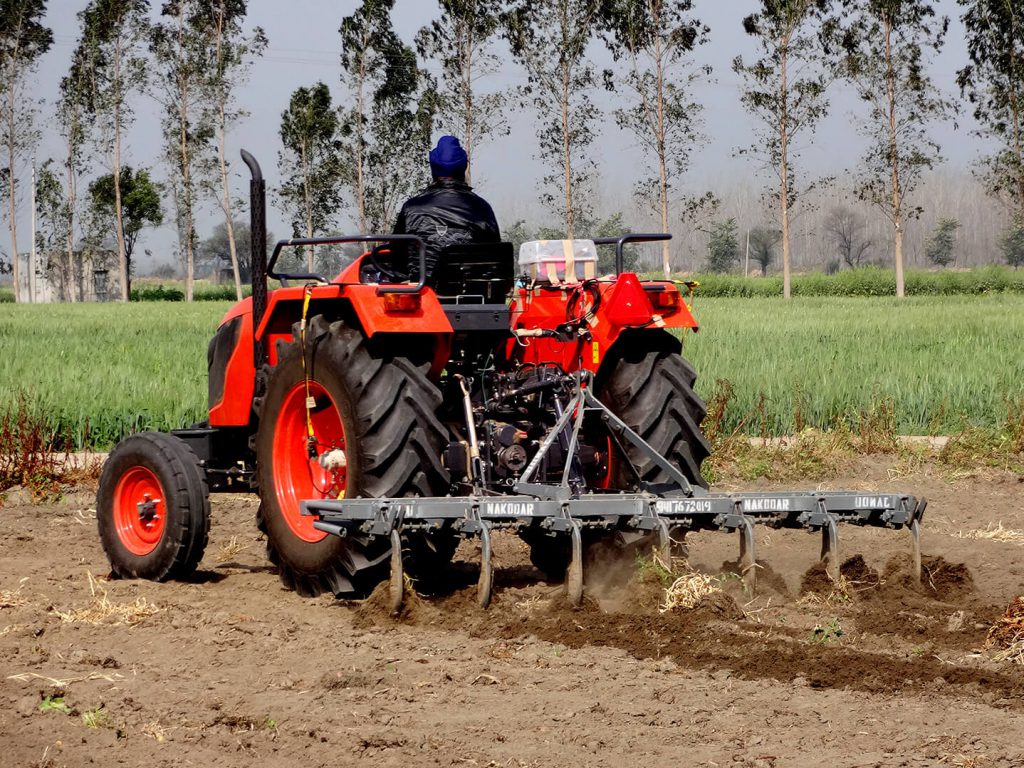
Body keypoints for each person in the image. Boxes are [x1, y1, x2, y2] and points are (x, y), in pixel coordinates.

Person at [392, 135, 500, 280]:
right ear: (463, 168)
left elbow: (396, 261)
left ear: (433, 170)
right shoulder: (482, 208)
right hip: (470, 296)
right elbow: (495, 260)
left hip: (421, 295)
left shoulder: (411, 208)